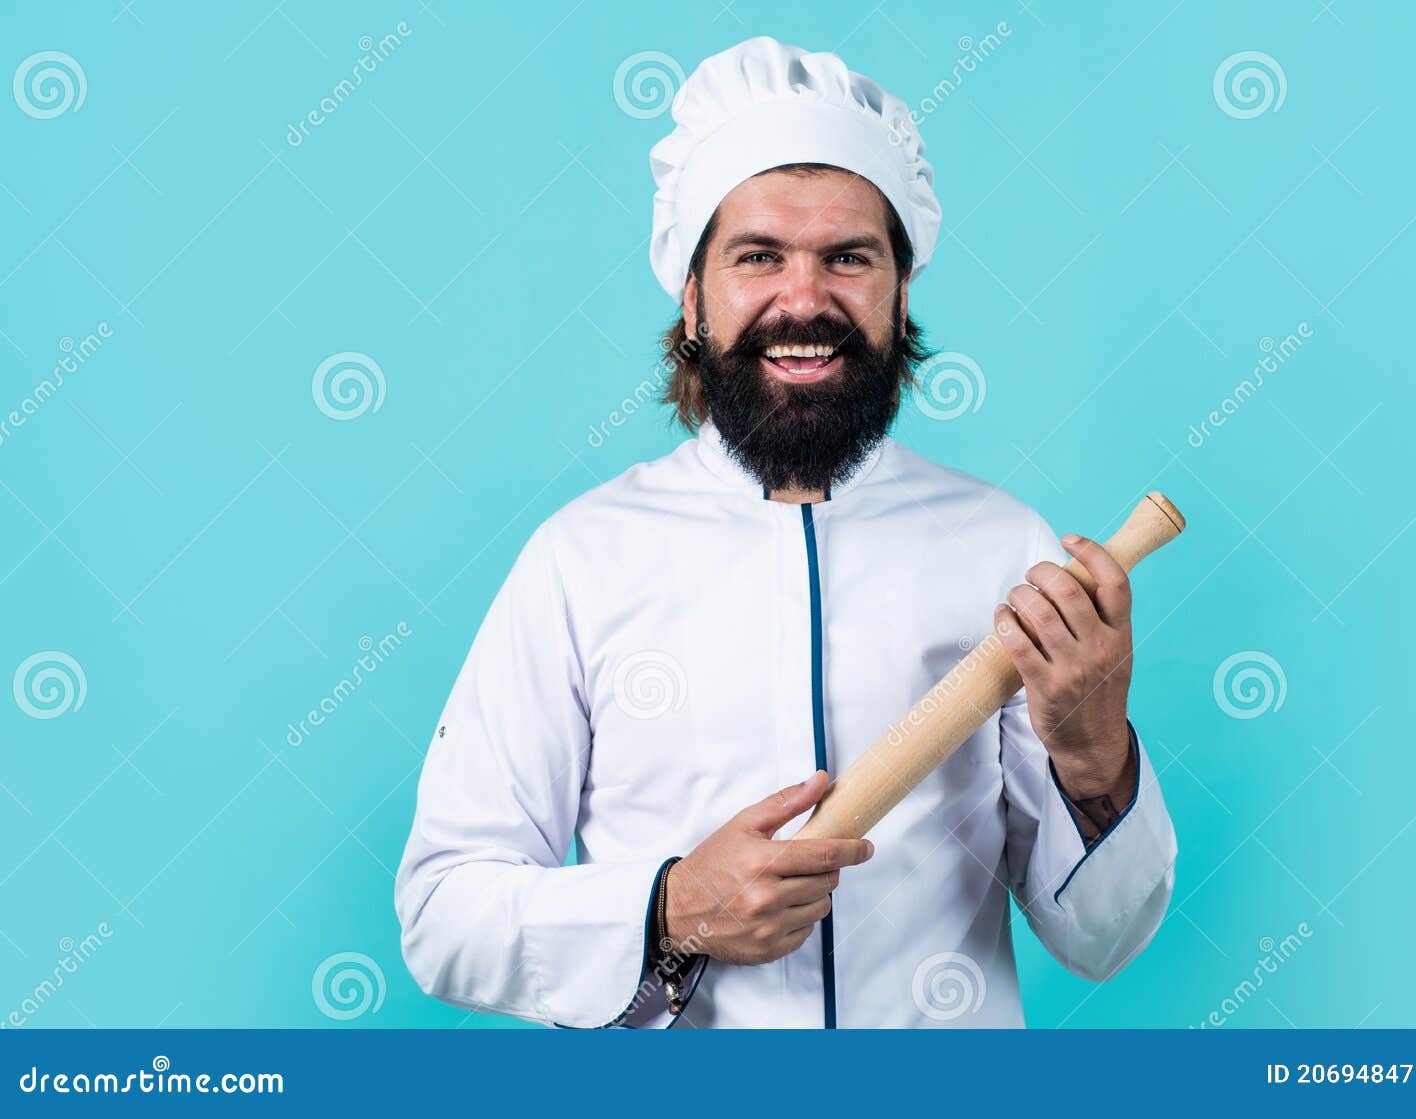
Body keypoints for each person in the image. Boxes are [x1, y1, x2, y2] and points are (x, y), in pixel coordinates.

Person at [395, 36, 1177, 1029]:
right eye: (757, 256)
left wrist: (1092, 747)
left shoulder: (1000, 545)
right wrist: (670, 908)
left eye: (847, 258)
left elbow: (1103, 941)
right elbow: (441, 911)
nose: (802, 299)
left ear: (901, 293)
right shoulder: (581, 558)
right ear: (692, 296)